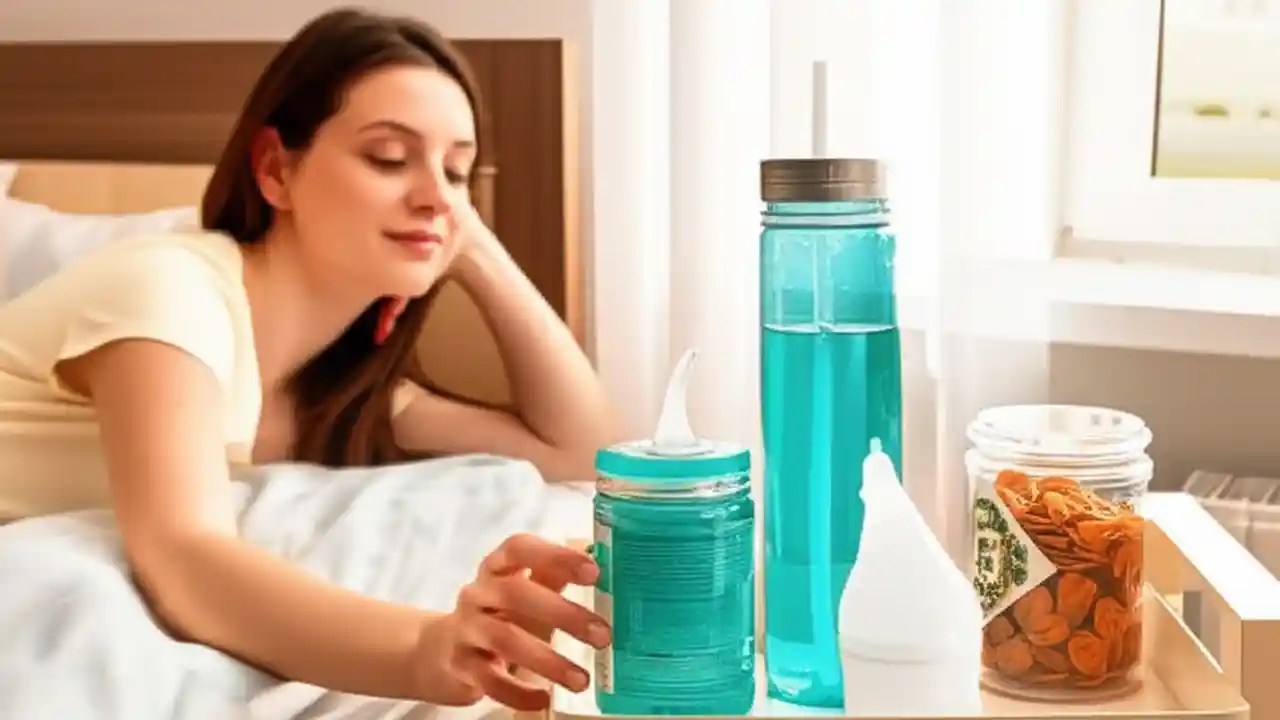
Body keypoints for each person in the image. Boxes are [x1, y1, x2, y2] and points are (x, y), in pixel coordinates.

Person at [0, 7, 616, 711]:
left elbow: (580, 451)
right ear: (275, 171)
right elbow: (185, 561)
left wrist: (473, 247)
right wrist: (425, 647)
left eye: (458, 170)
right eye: (388, 157)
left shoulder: (338, 389)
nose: (436, 197)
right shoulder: (168, 292)